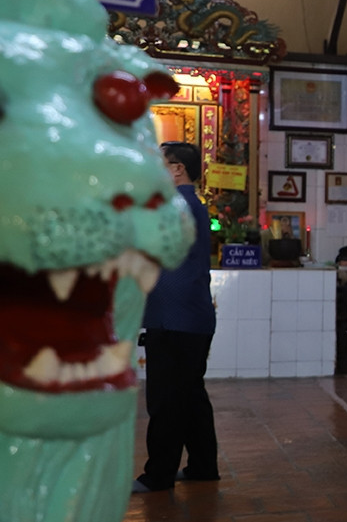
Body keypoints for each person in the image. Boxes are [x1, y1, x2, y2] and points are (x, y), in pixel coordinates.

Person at [133, 142, 220, 492]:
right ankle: (202, 466)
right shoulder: (189, 205)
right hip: (189, 318)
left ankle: (159, 475)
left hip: (174, 319)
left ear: (177, 169)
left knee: (167, 399)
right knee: (189, 397)